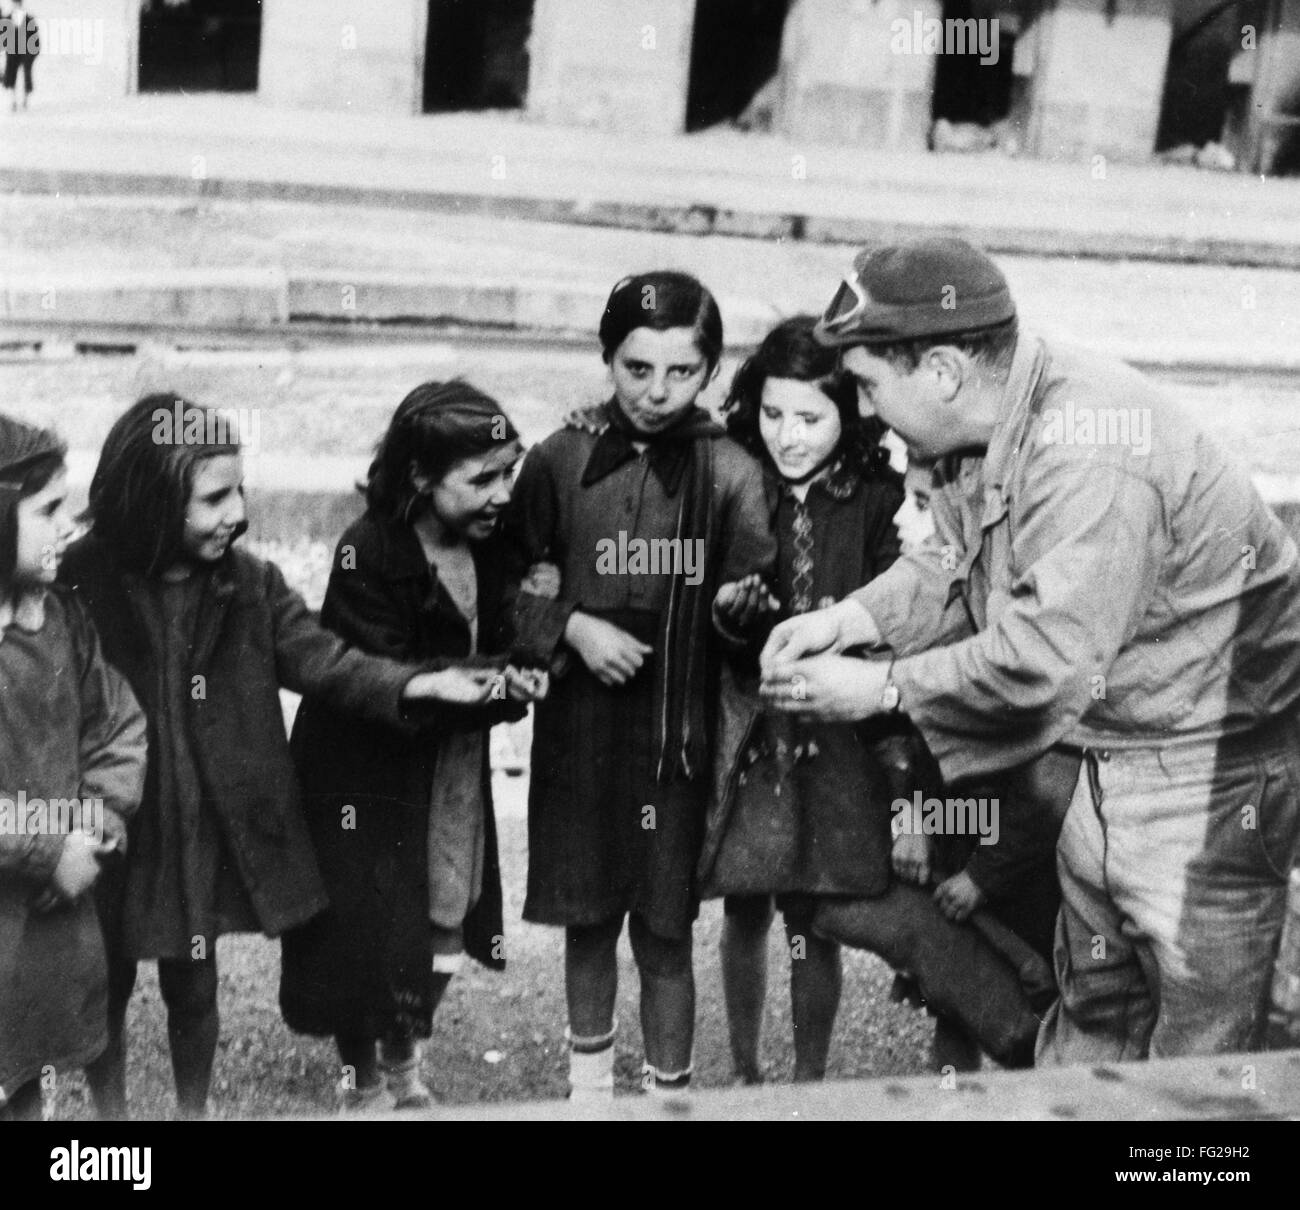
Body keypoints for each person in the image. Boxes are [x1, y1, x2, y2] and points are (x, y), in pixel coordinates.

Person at [761, 237, 1300, 1063]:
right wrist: (852, 622)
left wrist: (878, 691)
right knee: (1097, 1007)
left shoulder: (1088, 453)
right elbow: (950, 557)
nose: (864, 412)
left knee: (1201, 1054)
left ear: (940, 370)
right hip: (1113, 753)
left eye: (869, 386)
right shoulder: (985, 421)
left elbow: (1045, 661)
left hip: (1210, 779)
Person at [62, 393, 504, 1119]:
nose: (237, 511)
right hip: (115, 814)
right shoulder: (84, 578)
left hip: (201, 824)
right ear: (150, 498)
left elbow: (326, 660)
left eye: (240, 489)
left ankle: (191, 1112)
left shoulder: (249, 584)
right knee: (103, 977)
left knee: (193, 981)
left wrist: (418, 680)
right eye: (214, 497)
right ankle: (112, 1124)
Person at [504, 271, 776, 1101]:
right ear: (605, 359)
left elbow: (754, 612)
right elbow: (501, 581)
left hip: (674, 737)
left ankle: (671, 1101)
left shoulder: (729, 471)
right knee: (586, 920)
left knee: (664, 933)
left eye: (682, 373)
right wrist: (570, 629)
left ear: (713, 372)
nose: (657, 392)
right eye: (636, 369)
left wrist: (738, 611)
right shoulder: (558, 459)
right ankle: (588, 1094)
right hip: (581, 733)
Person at [280, 381, 549, 1111]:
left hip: (449, 773)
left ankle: (404, 1055)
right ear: (421, 479)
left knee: (443, 916)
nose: (502, 494)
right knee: (367, 931)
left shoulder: (490, 548)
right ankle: (366, 1080)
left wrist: (520, 670)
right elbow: (381, 673)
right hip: (366, 774)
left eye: (509, 474)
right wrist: (490, 684)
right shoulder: (367, 552)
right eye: (482, 479)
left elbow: (516, 629)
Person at [699, 315, 908, 1082]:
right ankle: (747, 1074)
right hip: (751, 727)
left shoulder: (877, 498)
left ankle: (809, 1081)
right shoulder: (734, 483)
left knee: (814, 913)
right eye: (774, 414)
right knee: (745, 902)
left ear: (849, 414)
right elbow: (707, 617)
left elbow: (897, 608)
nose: (789, 436)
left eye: (811, 418)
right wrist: (732, 618)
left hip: (839, 729)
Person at [0, 415, 147, 1121]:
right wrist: (43, 849)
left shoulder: (59, 620)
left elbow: (116, 724)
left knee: (32, 1066)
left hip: (50, 912)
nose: (69, 526)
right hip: (17, 888)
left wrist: (95, 817)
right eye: (48, 511)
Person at [1, 1, 38, 112]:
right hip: (12, 51)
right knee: (10, 75)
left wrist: (32, 54)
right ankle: (13, 101)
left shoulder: (29, 19)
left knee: (27, 75)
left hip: (26, 51)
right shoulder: (7, 18)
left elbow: (35, 38)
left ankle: (25, 100)